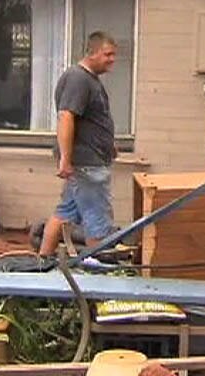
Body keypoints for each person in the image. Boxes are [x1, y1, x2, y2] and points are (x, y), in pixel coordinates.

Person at [39, 31, 119, 257]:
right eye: (108, 55)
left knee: (65, 212)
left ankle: (41, 262)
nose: (112, 60)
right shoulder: (78, 79)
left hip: (88, 159)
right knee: (97, 218)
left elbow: (89, 120)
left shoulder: (89, 79)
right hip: (87, 164)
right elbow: (66, 116)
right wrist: (65, 158)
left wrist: (108, 144)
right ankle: (98, 276)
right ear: (92, 53)